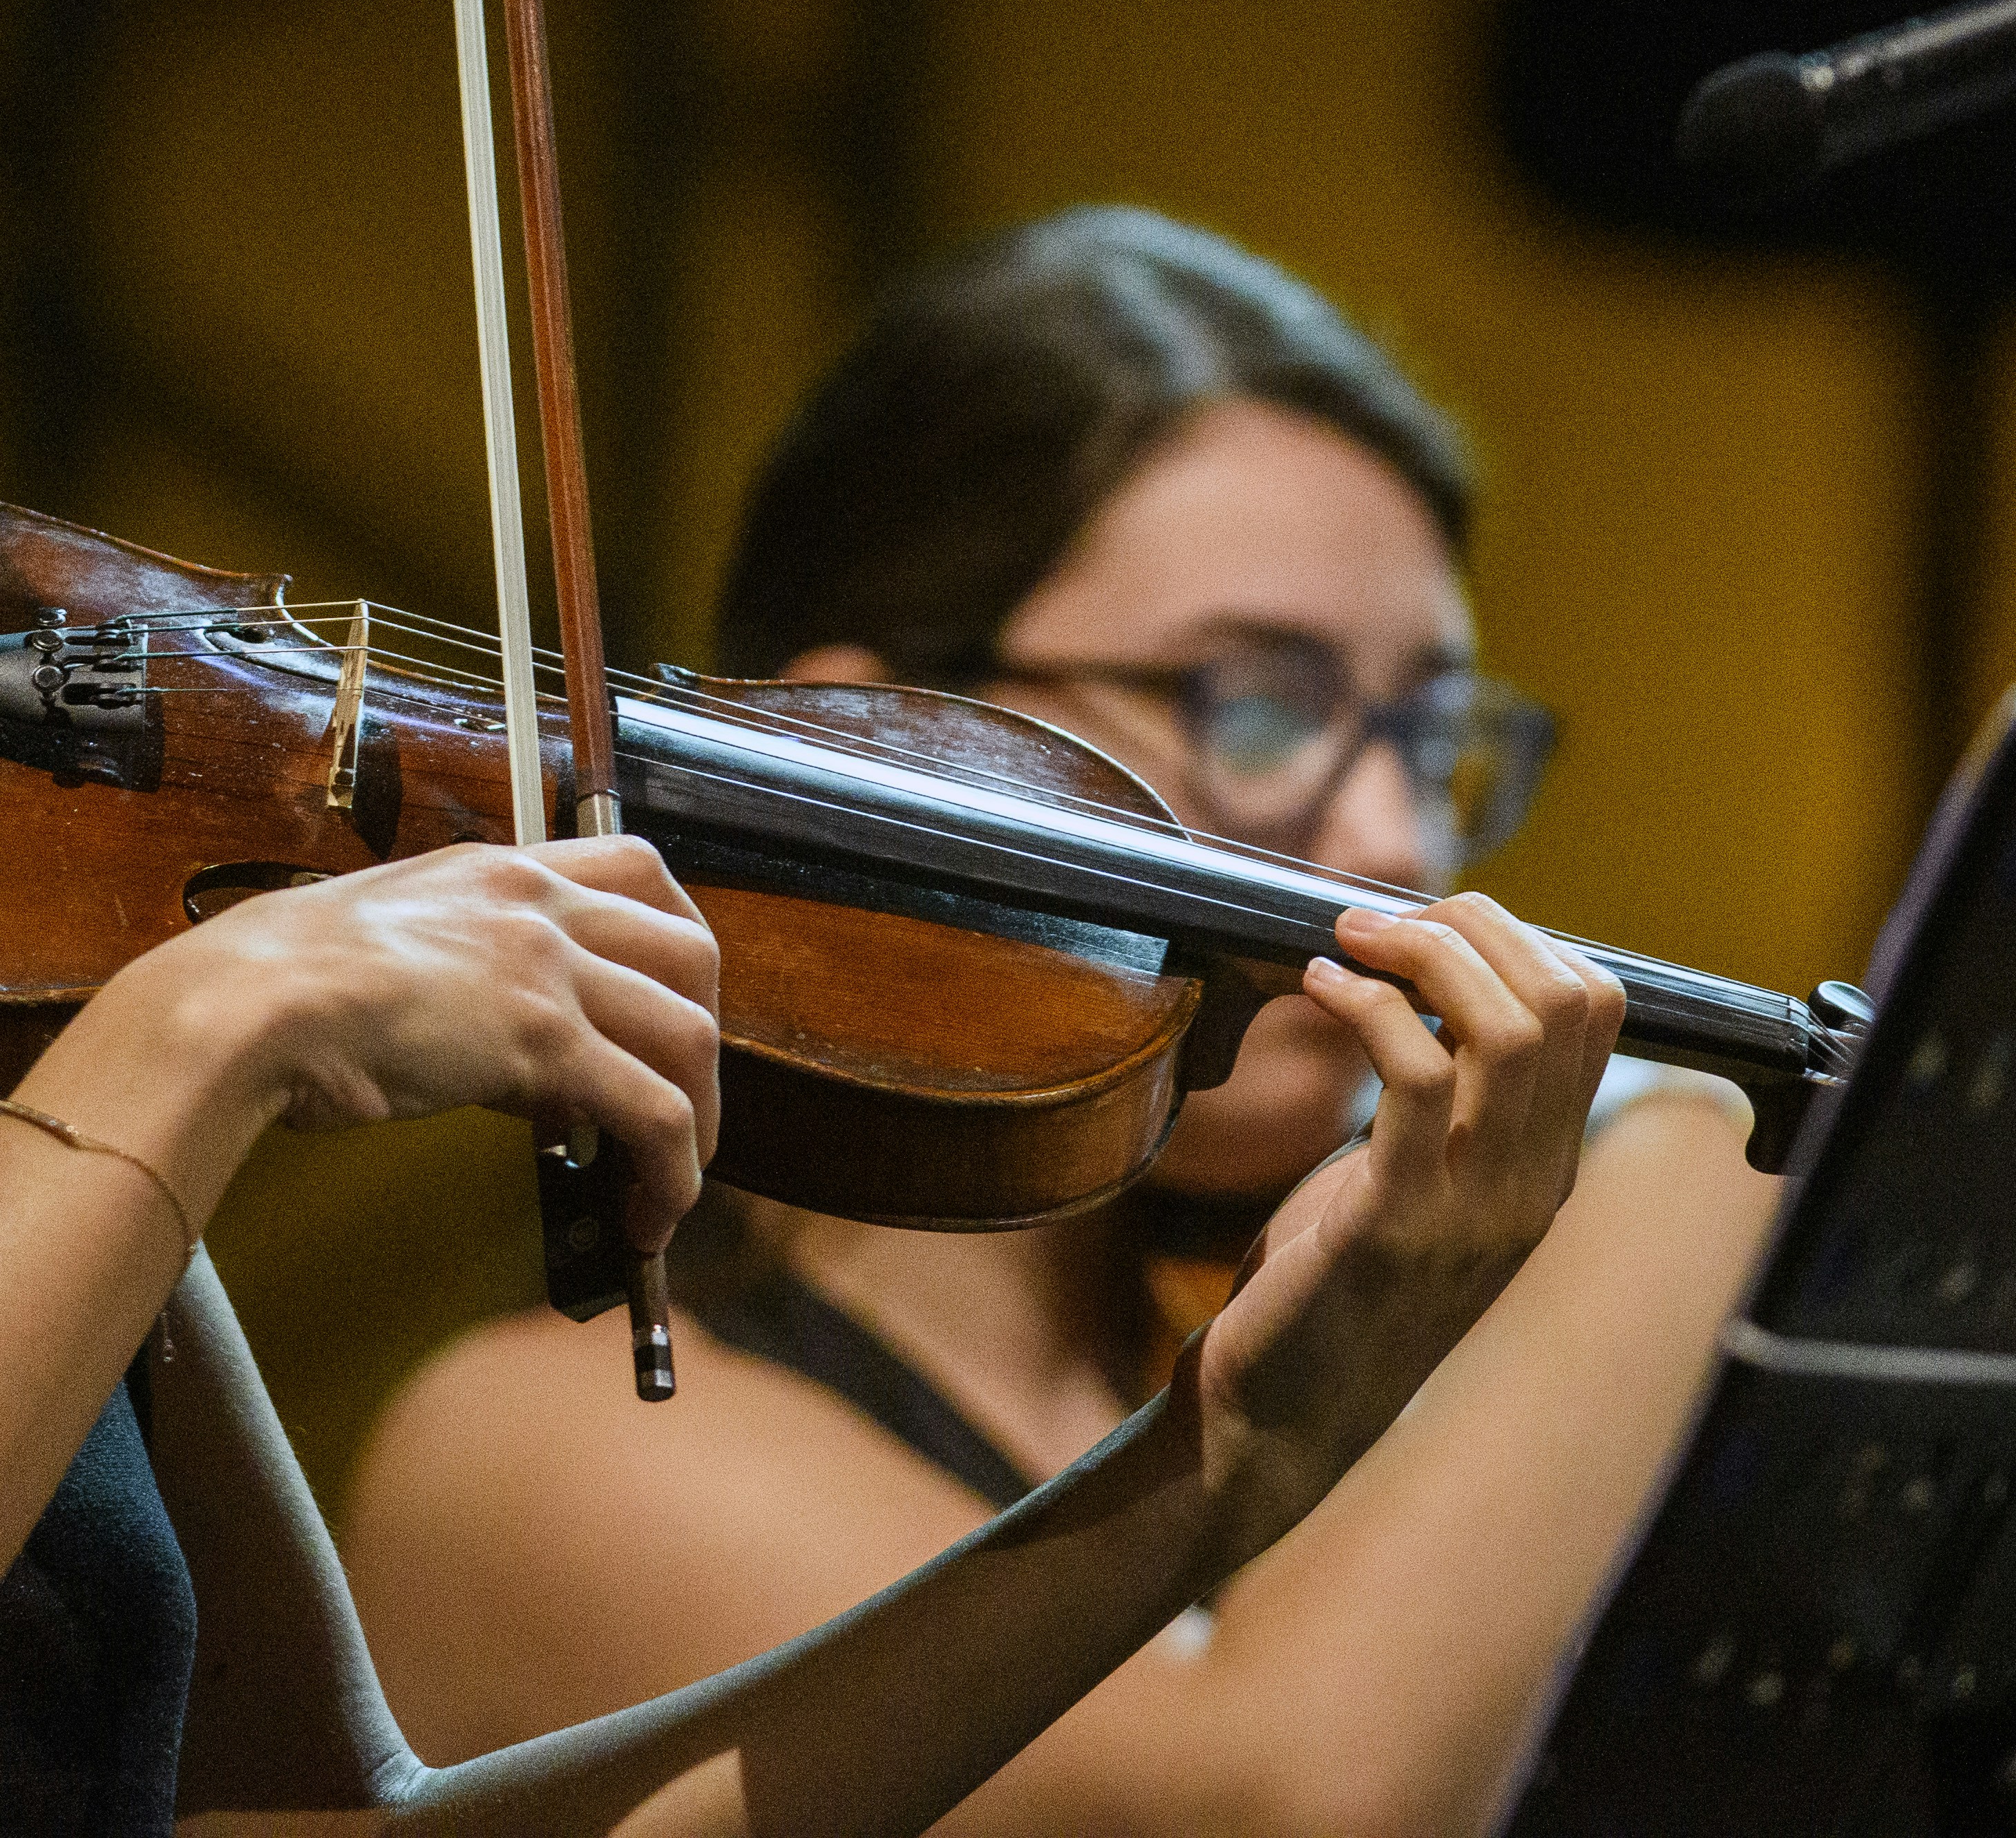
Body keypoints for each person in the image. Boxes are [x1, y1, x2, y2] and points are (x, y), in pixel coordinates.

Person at [343, 209, 1780, 1837]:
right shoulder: (540, 1443)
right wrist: (1685, 1161)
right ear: (874, 746)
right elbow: (1273, 1807)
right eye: (1259, 705)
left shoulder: (1244, 1330)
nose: (1393, 837)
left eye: (1430, 732)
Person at [1, 795, 1615, 1830]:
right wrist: (204, 1024)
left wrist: (1223, 1457)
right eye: (1250, 700)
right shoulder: (116, 1081)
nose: (1384, 830)